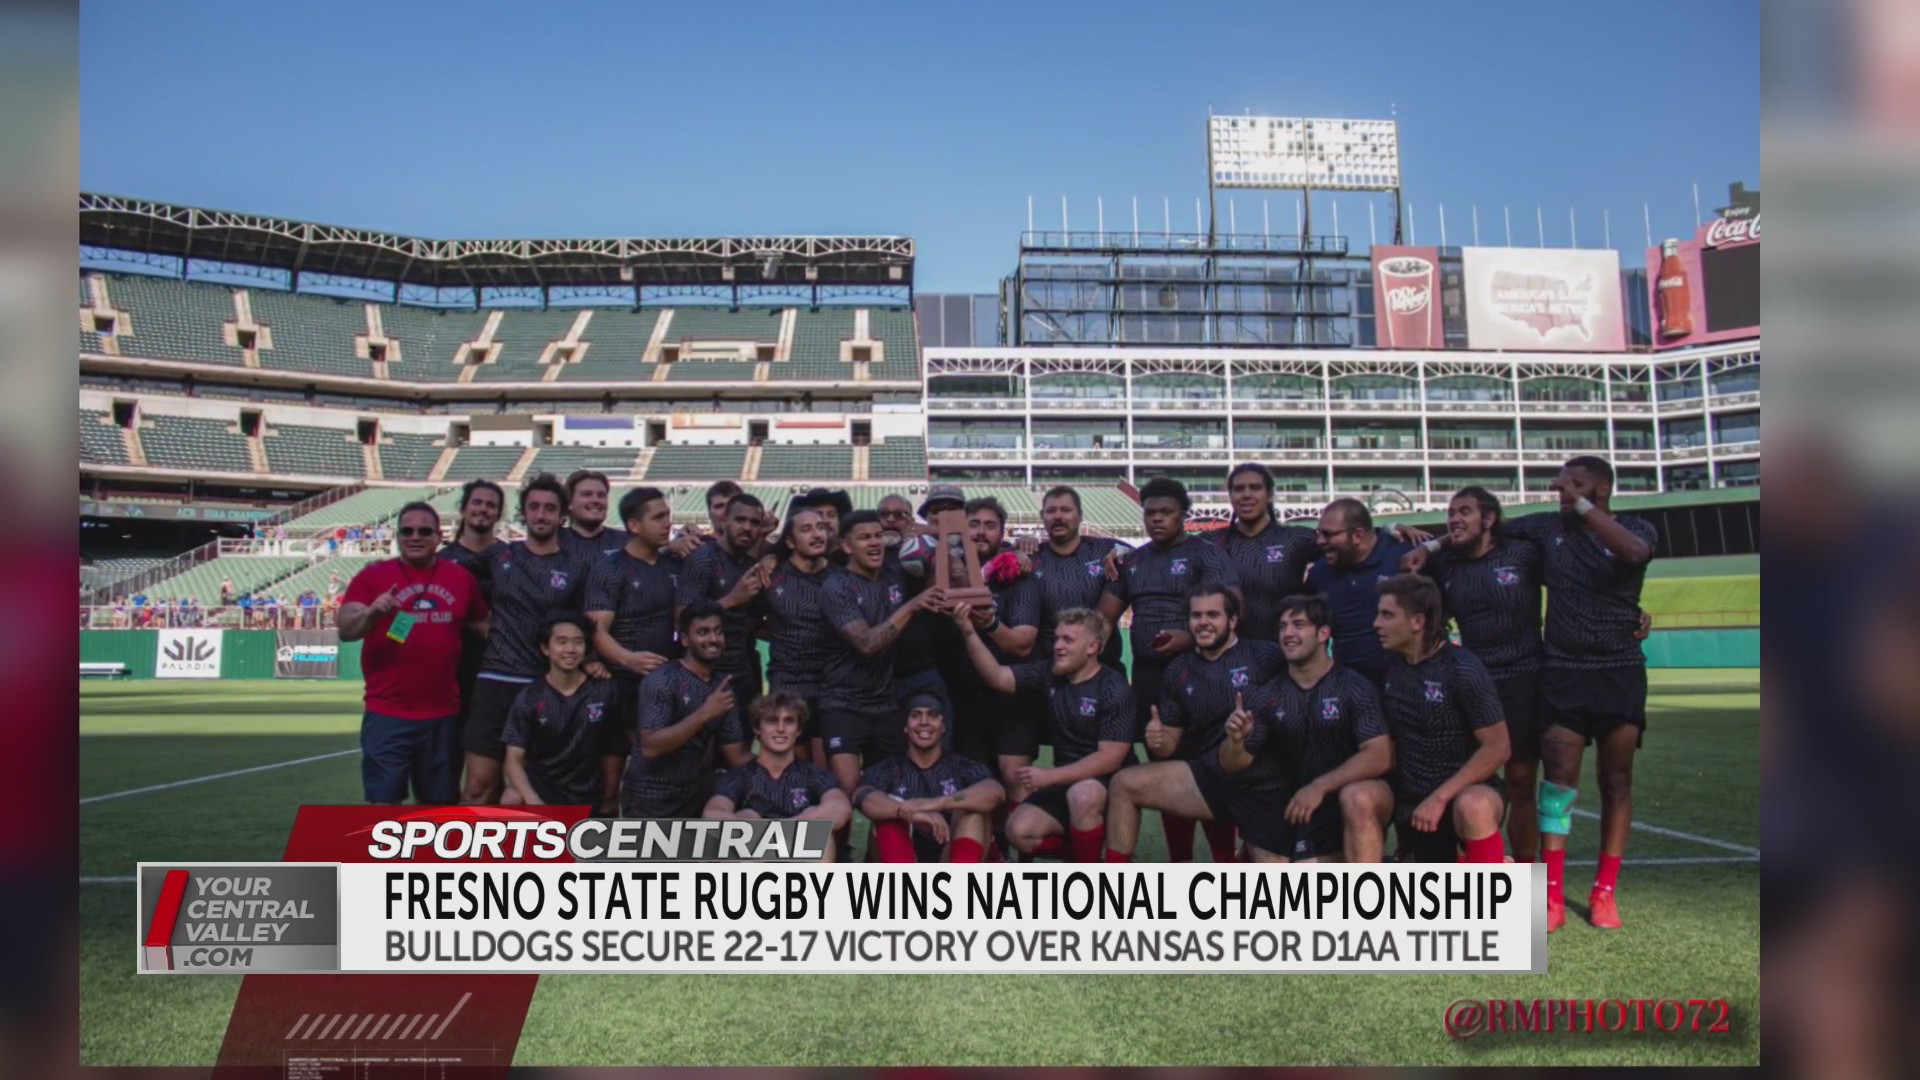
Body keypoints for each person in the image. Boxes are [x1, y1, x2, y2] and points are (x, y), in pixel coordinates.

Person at [1407, 456, 1656, 930]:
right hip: (1540, 673)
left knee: (1599, 781)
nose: (1562, 490)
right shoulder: (1544, 530)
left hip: (1595, 671)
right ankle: (1538, 892)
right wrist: (1430, 541)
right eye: (1562, 483)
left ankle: (1595, 891)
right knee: (1542, 783)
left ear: (1601, 489)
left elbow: (1633, 555)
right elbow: (1482, 528)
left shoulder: (1631, 527)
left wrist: (1636, 612)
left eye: (1574, 484)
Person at [1099, 476, 1240, 861]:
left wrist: (1188, 638)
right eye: (1150, 513)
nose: (1157, 519)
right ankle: (1180, 862)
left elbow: (1231, 607)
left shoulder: (1205, 554)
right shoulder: (1135, 560)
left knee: (1210, 771)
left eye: (1166, 512)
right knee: (1164, 769)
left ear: (1184, 516)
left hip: (1202, 672)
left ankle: (1225, 860)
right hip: (1149, 680)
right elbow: (1104, 618)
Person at [1407, 487, 1547, 862]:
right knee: (1460, 778)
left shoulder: (1522, 553)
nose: (1454, 518)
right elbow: (1408, 563)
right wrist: (1428, 544)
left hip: (1522, 677)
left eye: (1465, 511)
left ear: (1489, 519)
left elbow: (1569, 588)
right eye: (1451, 512)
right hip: (1468, 683)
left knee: (1520, 780)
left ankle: (1525, 873)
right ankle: (1467, 859)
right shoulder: (1445, 564)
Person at [1340, 574, 1509, 865]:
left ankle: (1491, 894)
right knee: (1357, 795)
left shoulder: (1463, 669)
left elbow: (1498, 748)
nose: (1376, 624)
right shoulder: (1390, 668)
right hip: (1407, 799)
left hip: (1458, 794)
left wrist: (1441, 798)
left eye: (1387, 615)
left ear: (1417, 622)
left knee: (1475, 806)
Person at [338, 501, 489, 806]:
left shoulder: (460, 578)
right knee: (384, 805)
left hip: (443, 715)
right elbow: (346, 628)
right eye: (407, 530)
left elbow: (483, 624)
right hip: (388, 715)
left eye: (424, 531)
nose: (415, 536)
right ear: (397, 536)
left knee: (440, 807)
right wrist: (371, 613)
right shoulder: (373, 577)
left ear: (438, 536)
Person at [463, 474, 601, 805]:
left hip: (545, 687)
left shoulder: (578, 568)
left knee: (531, 792)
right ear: (524, 513)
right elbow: (449, 576)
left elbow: (588, 625)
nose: (541, 515)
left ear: (562, 515)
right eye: (534, 507)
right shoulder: (499, 556)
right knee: (479, 787)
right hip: (495, 682)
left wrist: (592, 658)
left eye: (549, 509)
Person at [955, 605, 1133, 862]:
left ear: (1092, 647)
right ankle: (1082, 852)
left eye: (1068, 640)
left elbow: (1110, 759)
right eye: (1057, 638)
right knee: (1018, 831)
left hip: (1108, 786)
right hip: (1066, 783)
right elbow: (998, 678)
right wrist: (969, 632)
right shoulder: (1049, 673)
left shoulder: (1113, 688)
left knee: (1082, 795)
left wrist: (1050, 777)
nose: (1058, 646)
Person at [820, 512, 945, 834]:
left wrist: (931, 538)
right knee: (849, 792)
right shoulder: (836, 586)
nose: (874, 542)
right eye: (864, 537)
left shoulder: (894, 575)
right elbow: (867, 643)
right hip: (842, 705)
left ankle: (881, 864)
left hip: (886, 704)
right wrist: (912, 606)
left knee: (888, 796)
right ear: (847, 546)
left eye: (877, 535)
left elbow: (934, 583)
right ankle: (840, 858)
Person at [1138, 583, 1282, 861]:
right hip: (1215, 771)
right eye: (1196, 615)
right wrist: (1157, 739)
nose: (1203, 622)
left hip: (1266, 781)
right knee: (1124, 784)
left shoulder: (1267, 657)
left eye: (1212, 615)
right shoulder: (1178, 670)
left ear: (1232, 620)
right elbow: (1167, 747)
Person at [1243, 594, 1392, 862]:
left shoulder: (1354, 687)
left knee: (1357, 798)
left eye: (1298, 625)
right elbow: (1235, 764)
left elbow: (1380, 755)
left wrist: (1320, 786)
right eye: (1282, 626)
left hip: (1347, 796)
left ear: (1323, 633)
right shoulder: (1267, 694)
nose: (1287, 633)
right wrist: (1234, 741)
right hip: (1297, 804)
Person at [586, 487, 685, 798]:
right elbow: (595, 629)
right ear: (634, 526)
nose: (667, 523)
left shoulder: (673, 566)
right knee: (609, 786)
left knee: (660, 783)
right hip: (620, 688)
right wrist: (628, 659)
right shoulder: (611, 568)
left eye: (668, 515)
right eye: (658, 517)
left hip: (665, 688)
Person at [942, 497, 1042, 794]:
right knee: (975, 784)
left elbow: (1023, 645)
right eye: (973, 525)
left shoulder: (1020, 578)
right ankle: (991, 841)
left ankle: (1022, 836)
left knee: (1014, 779)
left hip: (1012, 695)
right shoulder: (943, 570)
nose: (981, 532)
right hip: (963, 696)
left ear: (1002, 532)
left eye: (990, 526)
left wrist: (989, 624)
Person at [622, 601, 749, 818]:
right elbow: (651, 747)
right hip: (650, 799)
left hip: (696, 796)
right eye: (703, 632)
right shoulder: (662, 679)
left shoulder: (721, 687)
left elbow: (736, 756)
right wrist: (704, 714)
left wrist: (786, 766)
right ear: (685, 639)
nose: (713, 639)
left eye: (718, 632)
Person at [855, 694, 1005, 863]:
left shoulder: (963, 766)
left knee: (973, 810)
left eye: (932, 715)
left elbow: (995, 792)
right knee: (887, 813)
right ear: (905, 726)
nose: (924, 722)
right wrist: (909, 812)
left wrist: (937, 803)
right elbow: (863, 798)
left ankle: (959, 885)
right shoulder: (887, 769)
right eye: (915, 715)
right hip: (901, 858)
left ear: (943, 726)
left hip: (950, 858)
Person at [704, 693, 851, 861]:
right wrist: (762, 834)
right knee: (746, 815)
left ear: (798, 730)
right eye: (772, 721)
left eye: (789, 721)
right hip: (754, 863)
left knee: (817, 829)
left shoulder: (813, 774)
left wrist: (784, 829)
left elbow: (840, 810)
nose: (781, 729)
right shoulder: (739, 777)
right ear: (757, 728)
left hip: (801, 865)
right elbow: (712, 814)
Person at [502, 613, 627, 810]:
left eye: (577, 642)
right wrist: (532, 799)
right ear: (545, 649)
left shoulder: (604, 691)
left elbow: (614, 749)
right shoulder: (529, 697)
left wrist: (610, 795)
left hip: (588, 792)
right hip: (543, 789)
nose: (570, 649)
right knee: (511, 798)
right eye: (562, 642)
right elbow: (513, 757)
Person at [1303, 498, 1416, 688]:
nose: (1320, 541)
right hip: (1350, 691)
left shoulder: (1405, 556)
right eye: (1319, 533)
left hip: (1408, 687)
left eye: (1328, 534)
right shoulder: (1319, 574)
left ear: (1357, 535)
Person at [675, 493, 773, 703]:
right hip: (705, 674)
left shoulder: (750, 564)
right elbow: (682, 619)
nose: (747, 527)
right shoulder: (703, 559)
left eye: (754, 522)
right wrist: (732, 599)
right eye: (740, 520)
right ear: (724, 521)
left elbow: (754, 620)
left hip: (743, 671)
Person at [760, 508, 839, 761]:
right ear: (791, 541)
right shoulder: (772, 577)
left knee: (828, 771)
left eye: (821, 528)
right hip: (788, 683)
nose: (817, 535)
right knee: (793, 768)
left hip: (832, 685)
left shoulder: (840, 576)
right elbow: (751, 621)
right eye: (806, 530)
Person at [1215, 463, 1321, 647]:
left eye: (1255, 488)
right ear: (1230, 497)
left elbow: (1345, 544)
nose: (1246, 494)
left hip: (1285, 652)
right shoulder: (1212, 543)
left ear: (1270, 495)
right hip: (1231, 656)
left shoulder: (1295, 539)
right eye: (1238, 489)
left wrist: (1386, 532)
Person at [1030, 485, 1129, 672]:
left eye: (1066, 510)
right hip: (1049, 671)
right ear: (1042, 516)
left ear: (1081, 515)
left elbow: (1146, 555)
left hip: (1103, 670)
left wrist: (1124, 552)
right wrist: (1017, 548)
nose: (1058, 516)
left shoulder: (1104, 549)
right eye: (1051, 511)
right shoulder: (1031, 557)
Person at [440, 479, 509, 735]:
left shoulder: (512, 559)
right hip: (449, 677)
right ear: (463, 508)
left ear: (499, 514)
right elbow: (414, 616)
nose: (483, 509)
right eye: (477, 502)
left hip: (498, 674)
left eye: (491, 505)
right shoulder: (442, 561)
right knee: (446, 766)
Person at [562, 469, 630, 560]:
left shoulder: (628, 543)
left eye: (601, 495)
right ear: (570, 502)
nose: (595, 500)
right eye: (587, 494)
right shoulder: (554, 542)